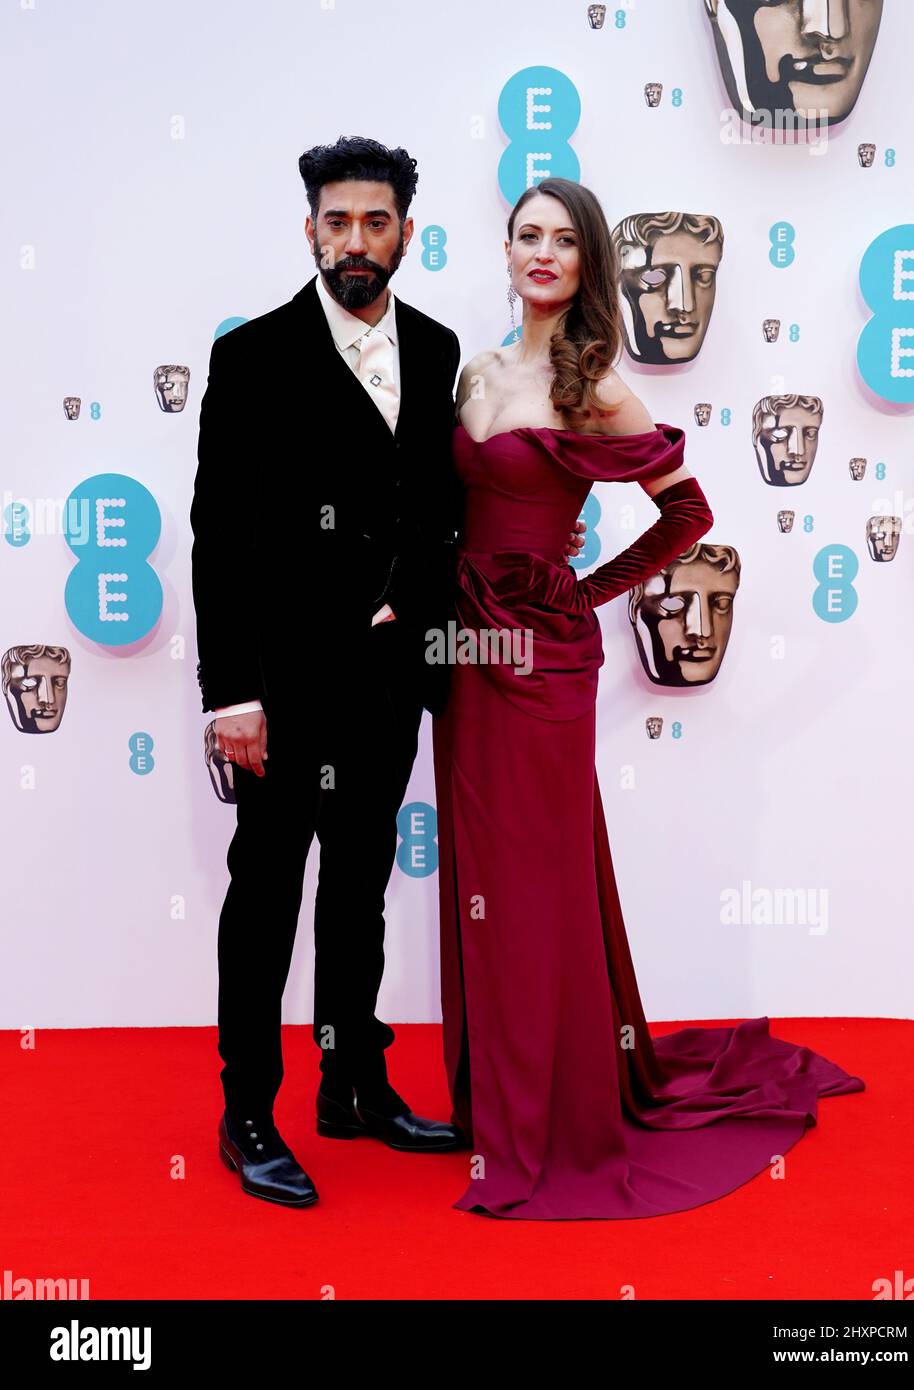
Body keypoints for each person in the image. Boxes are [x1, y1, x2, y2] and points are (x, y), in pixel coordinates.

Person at [432, 176, 865, 1220]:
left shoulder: (597, 385)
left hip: (542, 659)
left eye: (563, 241)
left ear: (586, 264)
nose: (542, 253)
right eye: (526, 235)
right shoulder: (472, 372)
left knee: (536, 888)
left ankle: (554, 1120)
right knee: (481, 881)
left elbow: (689, 512)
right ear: (504, 250)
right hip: (462, 652)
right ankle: (495, 1103)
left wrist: (577, 587)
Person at [190, 137, 585, 1208]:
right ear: (310, 230)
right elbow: (217, 536)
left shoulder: (440, 344)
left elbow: (441, 509)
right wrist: (230, 692)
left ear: (407, 232)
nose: (355, 240)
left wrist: (411, 594)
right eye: (336, 221)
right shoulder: (255, 356)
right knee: (267, 896)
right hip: (276, 688)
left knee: (359, 889)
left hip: (385, 684)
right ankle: (246, 1111)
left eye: (375, 222)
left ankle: (352, 1084)